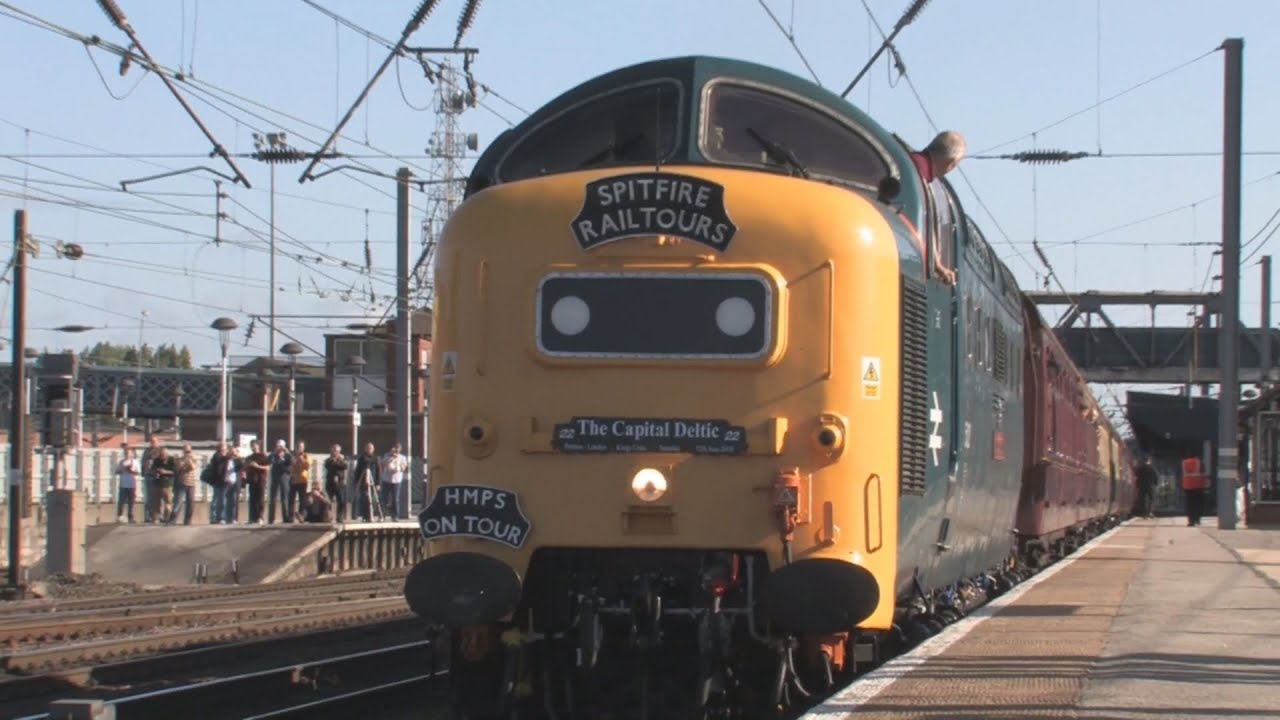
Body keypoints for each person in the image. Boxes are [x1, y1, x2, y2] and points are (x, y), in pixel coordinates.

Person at [910, 130, 965, 287]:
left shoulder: (914, 167)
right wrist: (937, 265)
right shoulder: (918, 178)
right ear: (952, 163)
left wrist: (937, 264)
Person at [169, 444, 198, 525]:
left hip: (191, 483)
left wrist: (189, 459)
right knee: (178, 502)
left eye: (189, 451)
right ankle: (173, 519)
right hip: (181, 483)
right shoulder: (179, 460)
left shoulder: (193, 459)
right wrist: (184, 462)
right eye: (186, 451)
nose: (187, 452)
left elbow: (192, 467)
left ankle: (188, 520)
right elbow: (178, 469)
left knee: (190, 503)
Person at [243, 441, 271, 525]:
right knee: (252, 499)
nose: (253, 448)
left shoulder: (263, 456)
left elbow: (268, 467)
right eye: (252, 446)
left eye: (255, 446)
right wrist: (248, 466)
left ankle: (260, 517)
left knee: (260, 498)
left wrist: (257, 466)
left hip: (261, 480)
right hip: (252, 480)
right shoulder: (249, 457)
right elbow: (244, 467)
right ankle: (252, 517)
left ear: (258, 446)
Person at [353, 442, 380, 522]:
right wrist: (356, 481)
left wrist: (378, 483)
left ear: (373, 449)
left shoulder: (375, 458)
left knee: (372, 498)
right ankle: (365, 516)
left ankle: (373, 515)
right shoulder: (361, 458)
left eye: (371, 448)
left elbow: (378, 471)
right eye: (368, 448)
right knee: (364, 497)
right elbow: (357, 470)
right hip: (363, 481)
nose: (369, 450)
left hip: (372, 481)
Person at [380, 443, 408, 520]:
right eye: (395, 449)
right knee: (384, 497)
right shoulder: (386, 455)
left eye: (397, 449)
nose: (396, 450)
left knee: (395, 498)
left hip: (397, 479)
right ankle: (382, 515)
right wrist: (391, 457)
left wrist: (398, 465)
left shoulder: (402, 458)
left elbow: (404, 468)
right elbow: (383, 464)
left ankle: (395, 516)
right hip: (386, 479)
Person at [268, 440, 293, 524]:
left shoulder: (287, 455)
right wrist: (274, 453)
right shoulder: (273, 455)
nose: (279, 448)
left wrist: (286, 453)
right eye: (278, 446)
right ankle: (271, 518)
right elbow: (267, 460)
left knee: (284, 498)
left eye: (281, 446)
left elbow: (291, 462)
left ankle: (286, 518)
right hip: (275, 477)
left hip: (284, 477)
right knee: (273, 498)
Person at [148, 445, 175, 523]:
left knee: (168, 502)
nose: (162, 455)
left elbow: (174, 472)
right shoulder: (157, 460)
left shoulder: (171, 460)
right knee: (156, 503)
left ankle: (167, 518)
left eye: (163, 454)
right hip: (157, 483)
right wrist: (155, 471)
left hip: (167, 484)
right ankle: (156, 518)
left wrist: (165, 472)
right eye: (161, 453)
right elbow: (152, 470)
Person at [323, 444, 349, 522]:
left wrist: (339, 461)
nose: (335, 452)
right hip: (330, 482)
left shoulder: (342, 460)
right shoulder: (328, 460)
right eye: (334, 450)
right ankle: (328, 516)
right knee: (328, 500)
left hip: (339, 482)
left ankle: (339, 517)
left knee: (341, 500)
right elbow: (329, 466)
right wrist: (335, 461)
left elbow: (344, 466)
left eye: (337, 451)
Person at [1181, 455, 1209, 527]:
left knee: (1190, 504)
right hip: (1198, 485)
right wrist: (1205, 484)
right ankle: (1197, 518)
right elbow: (1203, 473)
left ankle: (1191, 520)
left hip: (1188, 486)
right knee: (1199, 503)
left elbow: (1181, 474)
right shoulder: (1200, 462)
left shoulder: (1184, 463)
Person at [115, 445, 139, 524]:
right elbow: (117, 471)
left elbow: (138, 472)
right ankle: (120, 516)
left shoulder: (135, 462)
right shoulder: (121, 462)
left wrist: (131, 470)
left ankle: (131, 517)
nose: (127, 454)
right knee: (121, 501)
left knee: (131, 502)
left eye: (128, 453)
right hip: (123, 484)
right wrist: (122, 469)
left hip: (132, 485)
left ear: (131, 454)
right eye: (126, 453)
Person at [288, 441, 311, 522]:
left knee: (302, 499)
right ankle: (290, 517)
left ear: (304, 448)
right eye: (298, 446)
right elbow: (290, 466)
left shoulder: (305, 455)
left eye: (301, 447)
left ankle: (301, 516)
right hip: (293, 480)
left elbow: (307, 466)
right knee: (291, 499)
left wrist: (301, 459)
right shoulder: (292, 456)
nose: (299, 448)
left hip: (302, 480)